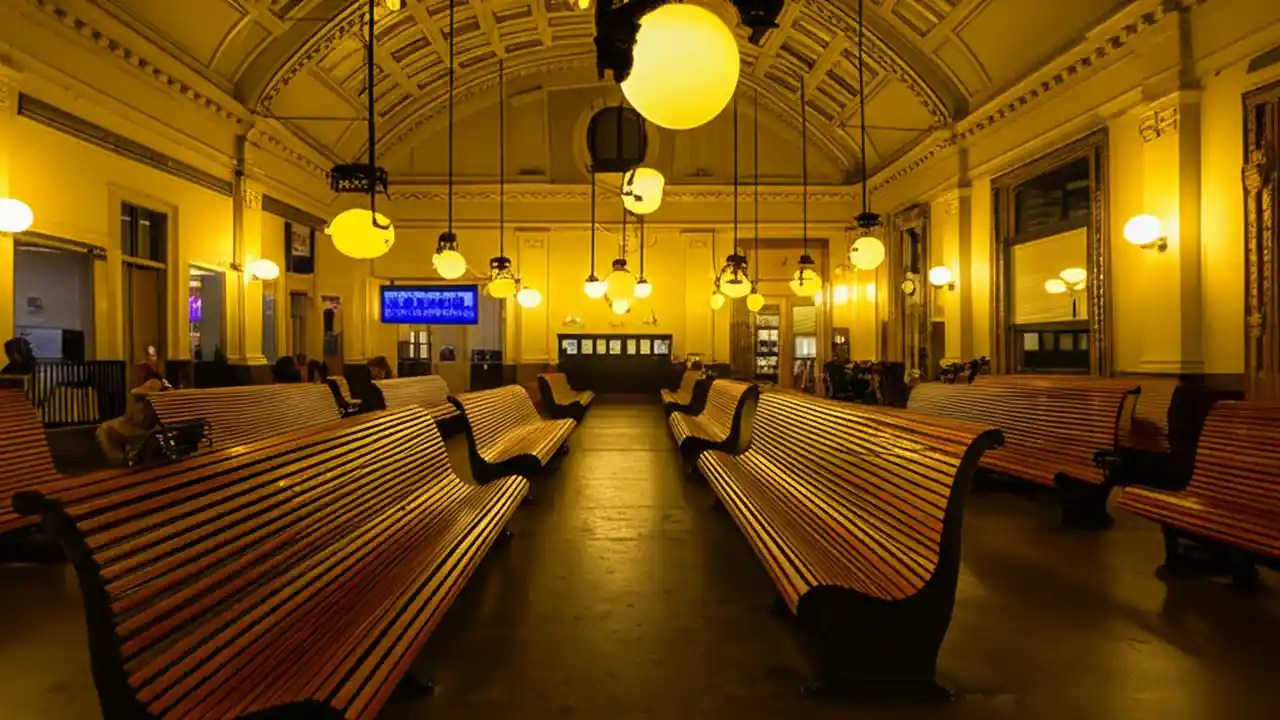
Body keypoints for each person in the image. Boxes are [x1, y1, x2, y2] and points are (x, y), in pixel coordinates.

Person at [96, 363, 169, 465]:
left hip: (147, 432)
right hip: (151, 430)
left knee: (104, 430)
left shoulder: (152, 384)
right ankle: (123, 459)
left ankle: (120, 463)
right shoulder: (159, 385)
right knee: (108, 429)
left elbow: (139, 418)